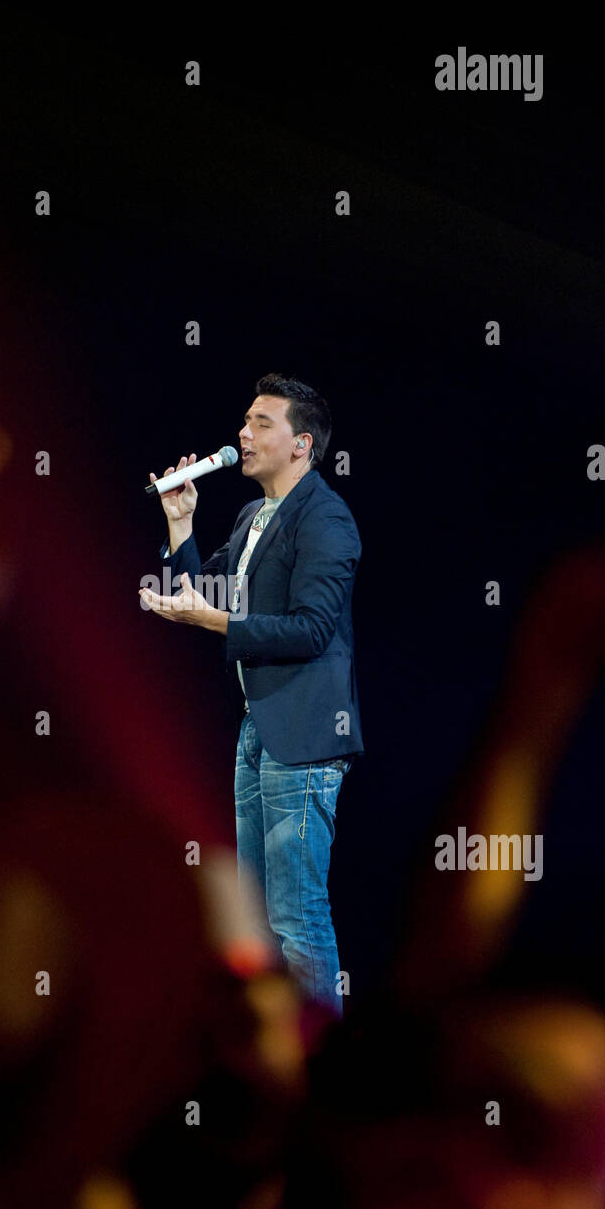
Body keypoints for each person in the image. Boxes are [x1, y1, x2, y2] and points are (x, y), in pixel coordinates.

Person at [139, 373, 363, 1015]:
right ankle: (273, 1055)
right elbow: (204, 595)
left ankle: (318, 1074)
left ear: (303, 444)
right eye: (245, 421)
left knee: (297, 918)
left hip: (306, 734)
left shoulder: (326, 519)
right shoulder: (252, 517)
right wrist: (181, 526)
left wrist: (216, 622)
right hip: (259, 729)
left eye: (263, 423)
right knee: (258, 924)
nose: (244, 434)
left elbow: (311, 628)